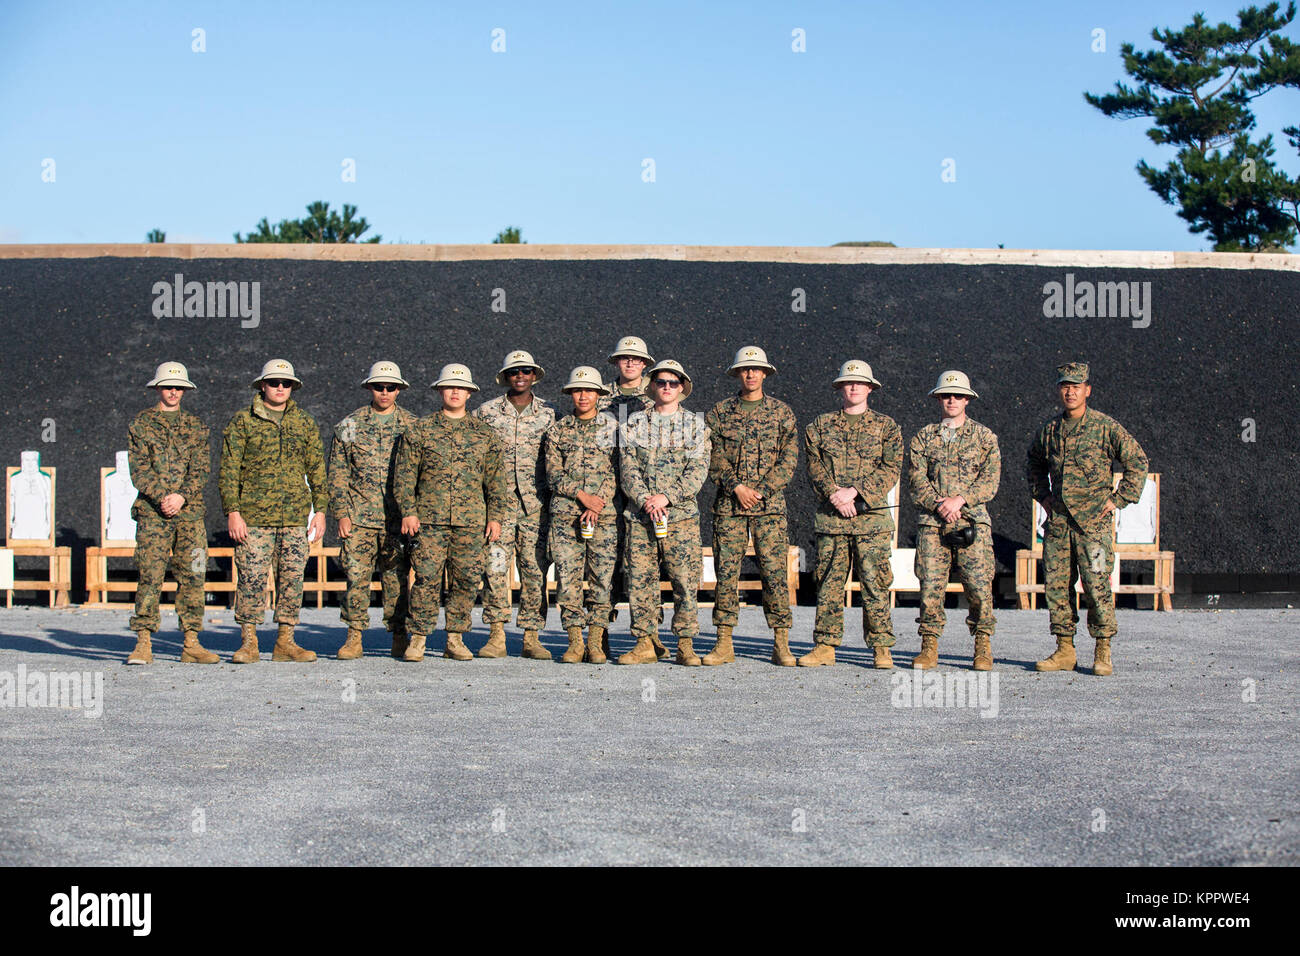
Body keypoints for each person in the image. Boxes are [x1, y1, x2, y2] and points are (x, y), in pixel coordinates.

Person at [1027, 362, 1148, 677]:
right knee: (1056, 586)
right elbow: (1033, 462)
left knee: (1096, 584)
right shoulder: (1050, 431)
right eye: (1065, 386)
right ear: (1059, 390)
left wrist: (1118, 499)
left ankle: (1102, 649)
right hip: (1059, 525)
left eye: (1076, 386)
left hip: (1093, 527)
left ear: (1087, 390)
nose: (1070, 391)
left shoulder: (1105, 428)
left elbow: (1137, 460)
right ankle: (1064, 649)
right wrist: (1043, 496)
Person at [395, 364, 508, 662]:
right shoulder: (420, 431)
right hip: (428, 522)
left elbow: (496, 480)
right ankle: (418, 639)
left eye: (460, 388)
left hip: (471, 522)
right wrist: (408, 511)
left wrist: (495, 517)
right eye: (449, 387)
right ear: (440, 391)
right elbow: (405, 476)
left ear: (470, 393)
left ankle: (455, 638)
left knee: (466, 580)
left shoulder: (485, 434)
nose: (455, 392)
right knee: (426, 579)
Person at [220, 359, 328, 663]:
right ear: (262, 386)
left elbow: (317, 468)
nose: (280, 388)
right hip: (253, 517)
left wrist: (320, 510)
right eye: (274, 383)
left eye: (286, 383)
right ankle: (249, 643)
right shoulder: (243, 422)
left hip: (294, 517)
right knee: (251, 578)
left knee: (292, 579)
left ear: (292, 387)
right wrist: (233, 511)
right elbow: (229, 470)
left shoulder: (304, 423)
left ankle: (285, 642)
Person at [799, 360, 902, 668]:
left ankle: (881, 647)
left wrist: (854, 492)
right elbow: (814, 466)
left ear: (870, 388)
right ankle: (825, 646)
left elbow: (891, 468)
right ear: (840, 388)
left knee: (875, 583)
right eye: (848, 383)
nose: (854, 387)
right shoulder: (819, 426)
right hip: (832, 520)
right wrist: (835, 494)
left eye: (860, 383)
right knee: (829, 583)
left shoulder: (887, 427)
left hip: (870, 521)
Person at [701, 346, 800, 666]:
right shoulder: (719, 413)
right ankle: (724, 641)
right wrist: (737, 487)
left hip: (769, 509)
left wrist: (761, 491)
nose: (751, 373)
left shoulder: (782, 413)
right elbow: (712, 455)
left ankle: (781, 642)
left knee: (774, 574)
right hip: (730, 507)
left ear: (765, 373)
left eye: (756, 369)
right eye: (745, 369)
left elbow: (789, 458)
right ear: (737, 373)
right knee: (726, 574)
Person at [618, 360, 711, 665]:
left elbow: (698, 471)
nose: (667, 387)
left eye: (673, 382)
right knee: (640, 580)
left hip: (680, 517)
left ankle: (685, 643)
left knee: (684, 580)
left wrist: (667, 497)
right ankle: (645, 641)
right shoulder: (633, 425)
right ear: (653, 386)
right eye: (661, 382)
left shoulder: (696, 426)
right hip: (641, 516)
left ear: (682, 387)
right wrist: (646, 498)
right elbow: (627, 467)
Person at [906, 370, 1001, 671]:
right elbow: (915, 478)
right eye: (946, 394)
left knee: (978, 585)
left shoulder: (985, 437)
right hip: (934, 523)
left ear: (967, 400)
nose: (952, 399)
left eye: (958, 395)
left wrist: (960, 501)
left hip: (971, 521)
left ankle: (982, 646)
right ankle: (929, 645)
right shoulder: (923, 437)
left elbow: (991, 479)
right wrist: (940, 504)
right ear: (938, 398)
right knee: (931, 586)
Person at [126, 362, 216, 664]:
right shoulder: (140, 424)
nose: (173, 392)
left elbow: (201, 469)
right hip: (153, 513)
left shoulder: (197, 427)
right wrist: (162, 496)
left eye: (178, 387)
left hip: (189, 514)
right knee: (149, 574)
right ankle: (143, 642)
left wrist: (181, 496)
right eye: (168, 387)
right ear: (158, 389)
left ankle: (191, 641)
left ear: (185, 390)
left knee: (193, 575)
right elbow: (138, 469)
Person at [329, 361, 418, 660]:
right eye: (379, 386)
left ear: (399, 390)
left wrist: (413, 511)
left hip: (397, 519)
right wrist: (341, 513)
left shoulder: (412, 427)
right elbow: (338, 473)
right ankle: (354, 636)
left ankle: (398, 635)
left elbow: (420, 474)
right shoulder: (349, 426)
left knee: (397, 580)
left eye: (390, 387)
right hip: (359, 518)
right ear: (370, 387)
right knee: (356, 577)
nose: (384, 392)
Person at [472, 350, 556, 660]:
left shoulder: (551, 413)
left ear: (534, 375)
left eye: (526, 371)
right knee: (494, 569)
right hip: (498, 507)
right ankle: (496, 634)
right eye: (514, 372)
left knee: (534, 571)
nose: (520, 376)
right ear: (505, 377)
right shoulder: (486, 413)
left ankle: (531, 635)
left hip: (537, 505)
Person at [543, 367, 620, 663]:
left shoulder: (613, 430)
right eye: (578, 390)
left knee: (602, 579)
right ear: (570, 394)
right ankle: (575, 641)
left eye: (589, 390)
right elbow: (553, 473)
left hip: (603, 516)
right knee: (568, 579)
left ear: (599, 394)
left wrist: (596, 502)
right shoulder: (558, 430)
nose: (583, 395)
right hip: (566, 515)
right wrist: (582, 496)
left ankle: (596, 642)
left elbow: (619, 470)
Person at [599, 335, 669, 660]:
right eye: (624, 358)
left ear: (645, 364)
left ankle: (649, 634)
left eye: (636, 359)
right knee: (605, 565)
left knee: (647, 565)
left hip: (645, 496)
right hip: (607, 494)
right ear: (616, 362)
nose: (630, 363)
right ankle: (599, 635)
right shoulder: (600, 398)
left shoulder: (657, 395)